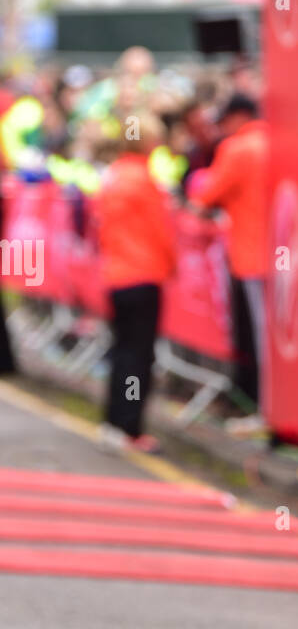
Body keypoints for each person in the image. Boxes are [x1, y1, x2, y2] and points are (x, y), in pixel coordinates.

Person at [186, 93, 269, 433]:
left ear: (237, 116)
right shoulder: (279, 139)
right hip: (291, 253)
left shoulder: (237, 148)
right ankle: (274, 412)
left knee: (263, 342)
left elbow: (203, 199)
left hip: (252, 256)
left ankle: (267, 413)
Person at [95, 112, 177, 454]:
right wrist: (172, 265)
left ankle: (114, 422)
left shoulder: (113, 176)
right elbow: (162, 233)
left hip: (116, 275)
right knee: (138, 356)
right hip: (142, 276)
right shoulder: (144, 180)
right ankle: (129, 427)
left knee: (121, 352)